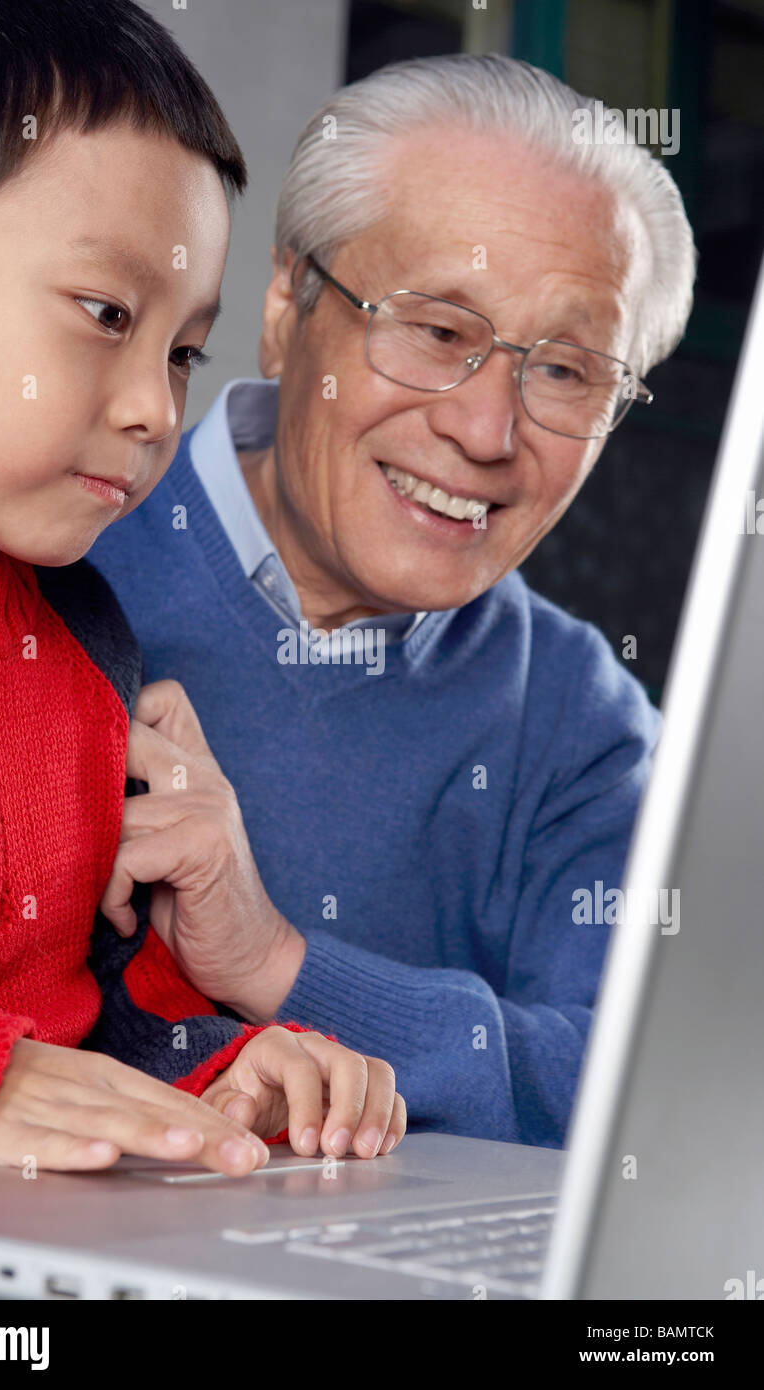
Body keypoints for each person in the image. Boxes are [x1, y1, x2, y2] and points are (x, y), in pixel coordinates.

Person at [89, 52, 697, 1149]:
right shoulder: (44, 565)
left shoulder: (583, 723)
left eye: (563, 371)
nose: (484, 431)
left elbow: (652, 1090)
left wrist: (280, 962)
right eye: (436, 331)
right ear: (286, 306)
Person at [0, 0, 405, 1177]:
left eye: (180, 352)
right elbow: (0, 1084)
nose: (153, 409)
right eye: (104, 315)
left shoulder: (85, 650)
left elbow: (77, 1038)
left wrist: (210, 1075)